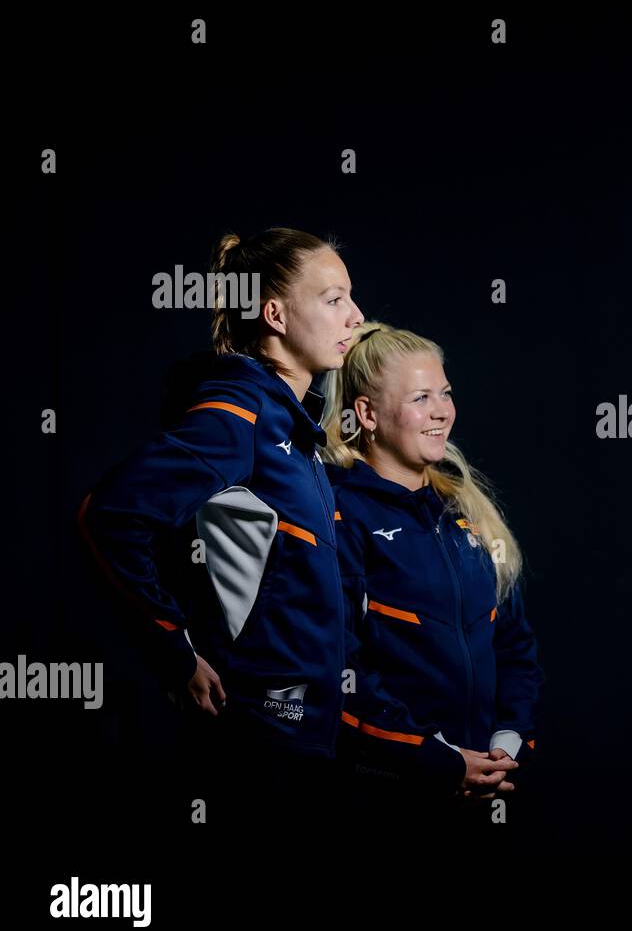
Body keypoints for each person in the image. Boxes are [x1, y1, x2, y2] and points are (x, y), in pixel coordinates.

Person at [77, 227, 365, 839]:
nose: (356, 316)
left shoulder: (297, 433)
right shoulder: (239, 412)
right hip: (259, 746)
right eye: (335, 298)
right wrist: (173, 648)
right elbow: (111, 513)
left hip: (313, 744)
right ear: (276, 314)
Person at [320, 321, 543, 831]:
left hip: (484, 794)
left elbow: (512, 645)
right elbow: (336, 671)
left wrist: (508, 744)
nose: (442, 410)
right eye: (421, 397)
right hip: (382, 801)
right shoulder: (337, 512)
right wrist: (431, 756)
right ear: (367, 414)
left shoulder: (465, 511)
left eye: (445, 393)